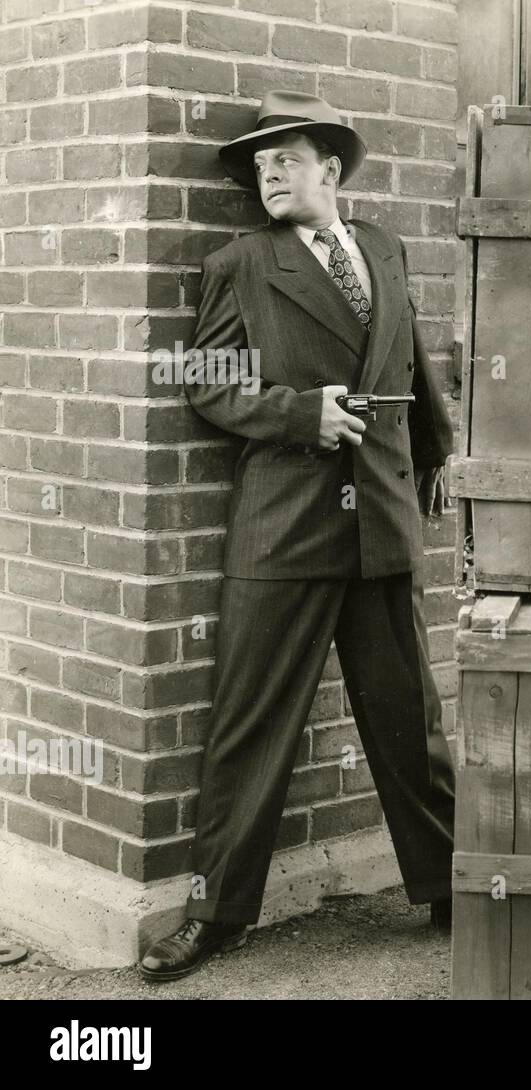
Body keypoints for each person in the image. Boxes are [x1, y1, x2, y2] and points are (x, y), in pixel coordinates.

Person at [138, 92, 457, 983]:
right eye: (258, 165)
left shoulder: (384, 247)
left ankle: (446, 885)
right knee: (251, 725)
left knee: (410, 717)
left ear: (332, 168)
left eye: (286, 158)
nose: (268, 174)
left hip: (384, 516)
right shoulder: (241, 262)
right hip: (285, 526)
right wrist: (294, 415)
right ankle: (214, 912)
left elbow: (412, 362)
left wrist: (436, 457)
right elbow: (207, 382)